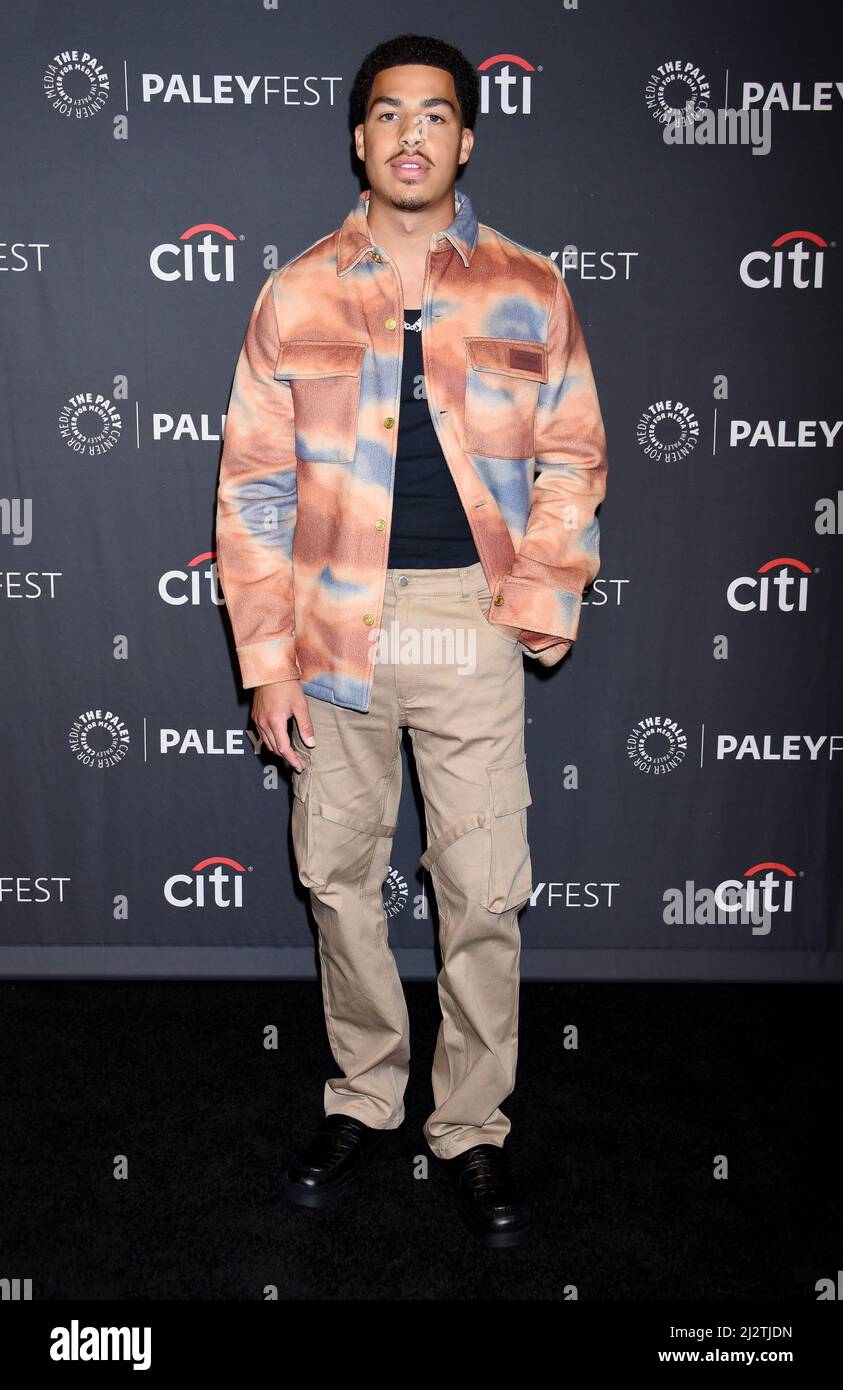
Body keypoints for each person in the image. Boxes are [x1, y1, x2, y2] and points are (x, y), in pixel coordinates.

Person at [215, 32, 608, 1249]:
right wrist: (268, 657)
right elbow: (254, 489)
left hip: (465, 623)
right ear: (358, 136)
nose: (410, 137)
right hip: (335, 621)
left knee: (483, 890)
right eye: (388, 116)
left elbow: (573, 457)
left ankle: (473, 1125)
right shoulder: (293, 292)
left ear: (467, 137)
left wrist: (531, 604)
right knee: (337, 878)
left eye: (435, 116)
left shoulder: (530, 288)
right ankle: (365, 1095)